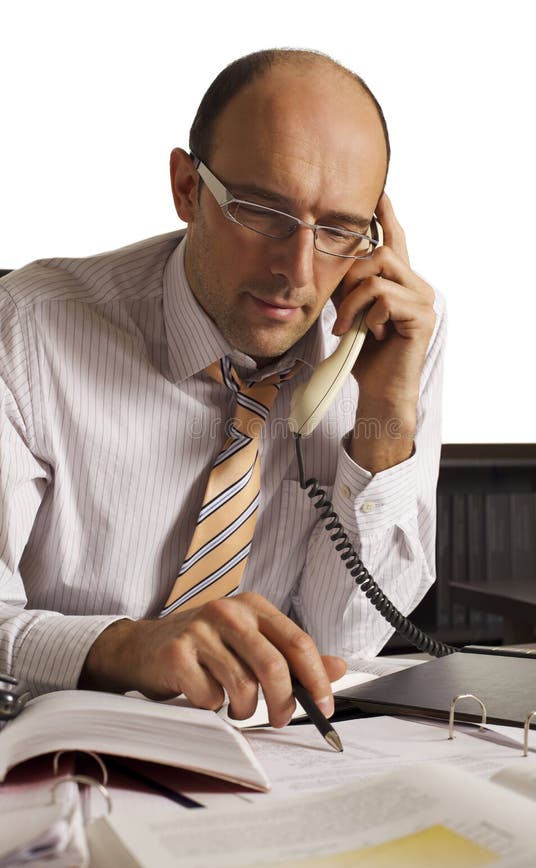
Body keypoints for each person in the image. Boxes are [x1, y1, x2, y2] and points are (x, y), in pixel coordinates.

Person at [0, 48, 445, 728]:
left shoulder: (391, 336)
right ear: (186, 188)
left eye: (339, 230)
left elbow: (346, 640)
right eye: (264, 211)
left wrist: (384, 419)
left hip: (267, 762)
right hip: (57, 752)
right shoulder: (28, 329)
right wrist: (124, 647)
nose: (297, 271)